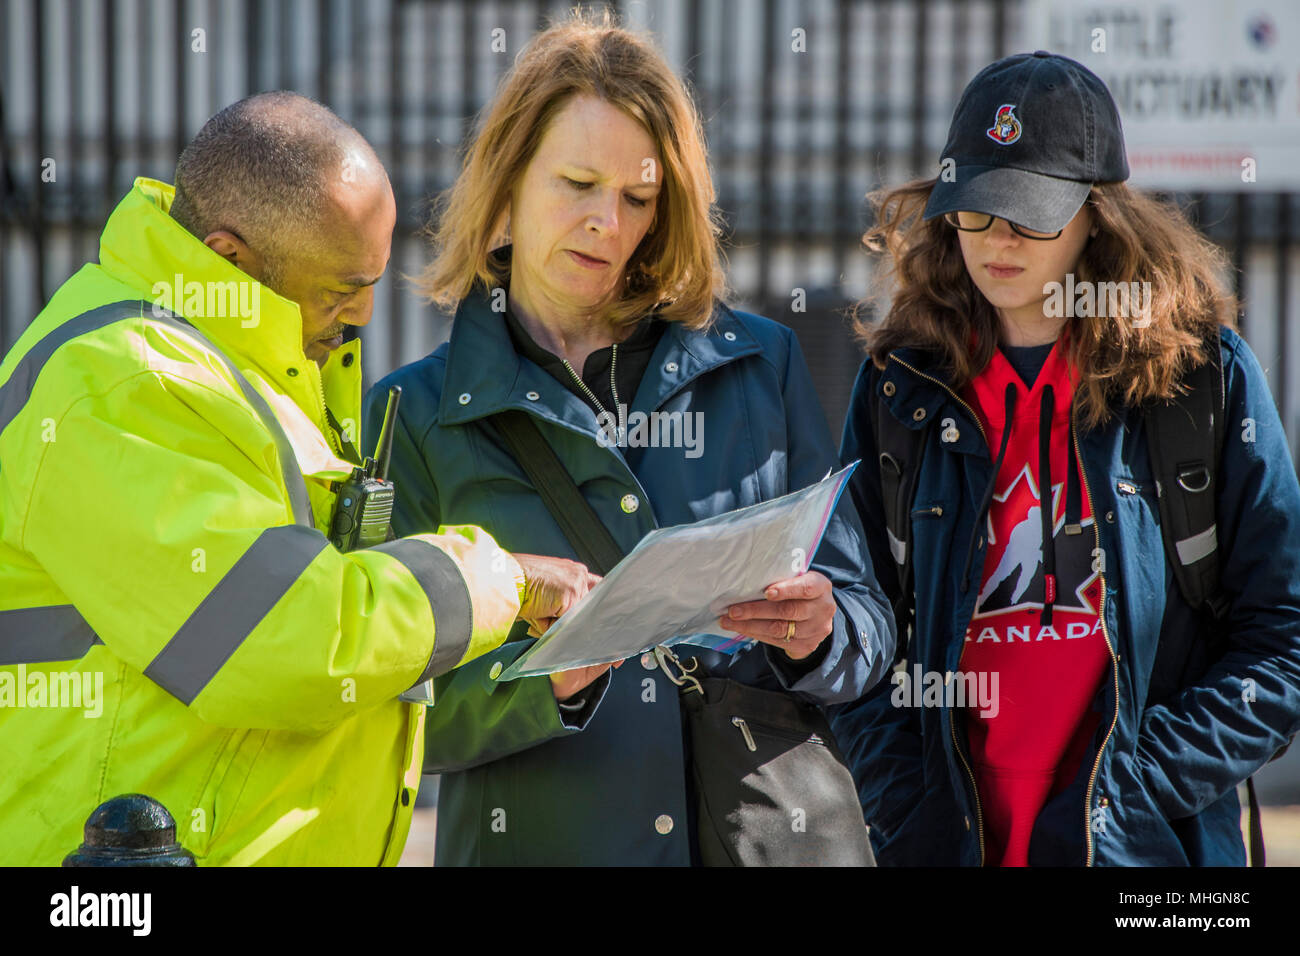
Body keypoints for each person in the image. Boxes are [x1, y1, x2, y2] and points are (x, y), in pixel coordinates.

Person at [0, 92, 593, 866]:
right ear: (231, 258)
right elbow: (288, 639)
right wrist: (500, 578)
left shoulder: (230, 357)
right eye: (342, 289)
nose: (363, 315)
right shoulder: (123, 382)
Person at [365, 13, 896, 866]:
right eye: (577, 183)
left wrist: (821, 632)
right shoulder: (414, 415)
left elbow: (867, 623)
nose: (606, 223)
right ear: (507, 183)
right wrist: (540, 686)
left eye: (637, 198)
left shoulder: (763, 365)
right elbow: (383, 702)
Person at [828, 51, 1300, 866]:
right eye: (976, 211)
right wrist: (907, 807)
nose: (998, 240)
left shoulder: (1200, 380)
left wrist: (1133, 789)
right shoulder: (898, 387)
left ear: (1097, 218)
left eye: (1031, 216)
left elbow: (1284, 639)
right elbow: (856, 622)